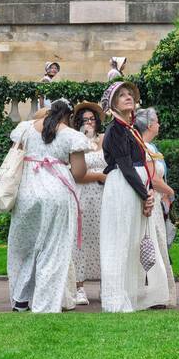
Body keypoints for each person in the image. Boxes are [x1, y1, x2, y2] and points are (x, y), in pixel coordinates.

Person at [7, 100, 95, 313]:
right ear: (69, 116)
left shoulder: (26, 129)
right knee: (53, 249)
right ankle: (45, 303)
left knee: (25, 248)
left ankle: (20, 299)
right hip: (56, 193)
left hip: (27, 192)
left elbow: (16, 152)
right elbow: (79, 173)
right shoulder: (71, 135)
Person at [98, 81, 170, 311]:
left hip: (137, 186)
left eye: (130, 94)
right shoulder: (115, 130)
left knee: (135, 241)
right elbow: (126, 166)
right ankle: (116, 298)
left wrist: (148, 190)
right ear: (113, 103)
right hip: (123, 186)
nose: (128, 97)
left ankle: (135, 294)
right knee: (121, 240)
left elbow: (141, 163)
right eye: (122, 96)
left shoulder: (131, 129)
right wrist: (144, 193)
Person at [133, 107, 176, 305]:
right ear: (150, 125)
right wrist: (170, 191)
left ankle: (154, 291)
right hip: (151, 200)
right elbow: (153, 179)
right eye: (157, 121)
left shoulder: (151, 147)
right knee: (153, 245)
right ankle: (153, 294)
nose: (159, 124)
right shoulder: (144, 147)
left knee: (156, 244)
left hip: (157, 202)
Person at [70, 102, 107, 306]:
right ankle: (79, 287)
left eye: (92, 119)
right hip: (83, 195)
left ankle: (105, 284)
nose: (89, 122)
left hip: (103, 196)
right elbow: (76, 174)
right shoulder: (76, 141)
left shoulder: (103, 139)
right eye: (85, 120)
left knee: (104, 238)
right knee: (80, 241)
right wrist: (100, 176)